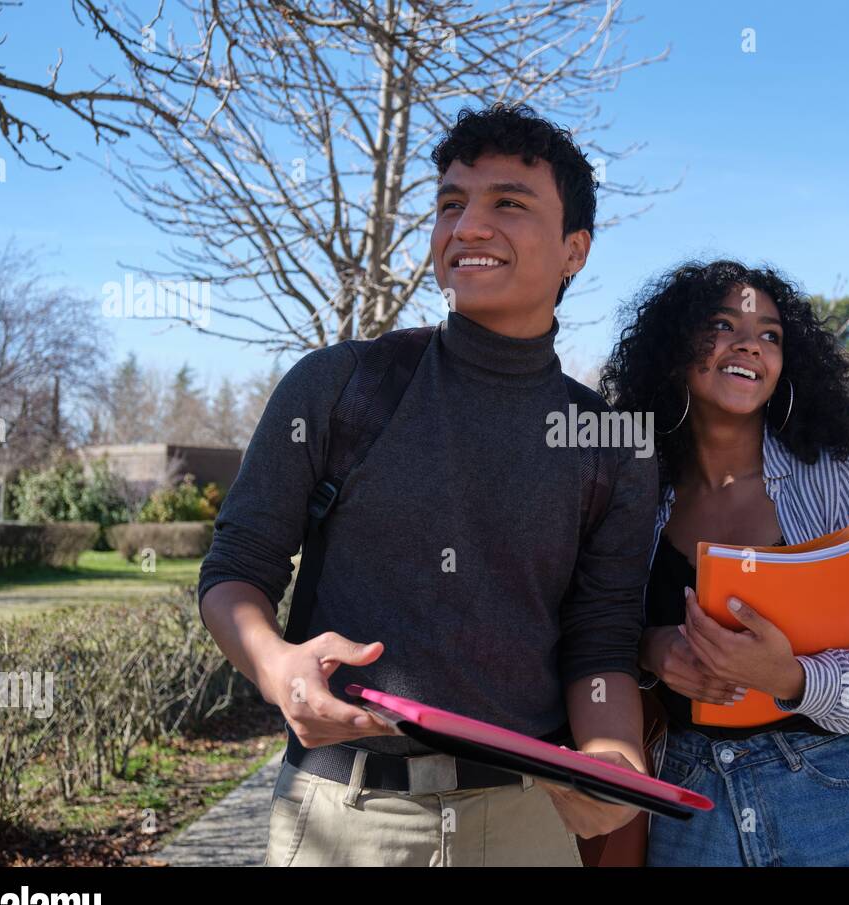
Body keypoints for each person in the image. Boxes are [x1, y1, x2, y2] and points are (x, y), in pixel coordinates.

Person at [198, 103, 658, 866]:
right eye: (451, 204)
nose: (468, 226)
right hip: (344, 817)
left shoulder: (612, 443)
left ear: (576, 249)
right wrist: (277, 668)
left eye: (508, 202)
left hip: (527, 819)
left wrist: (612, 753)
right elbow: (235, 570)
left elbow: (601, 638)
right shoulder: (339, 385)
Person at [600, 259, 849, 866]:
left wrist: (792, 678)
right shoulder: (634, 484)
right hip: (687, 801)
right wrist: (652, 651)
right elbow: (592, 630)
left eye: (771, 335)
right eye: (723, 325)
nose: (750, 344)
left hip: (830, 801)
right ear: (676, 349)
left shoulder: (835, 480)